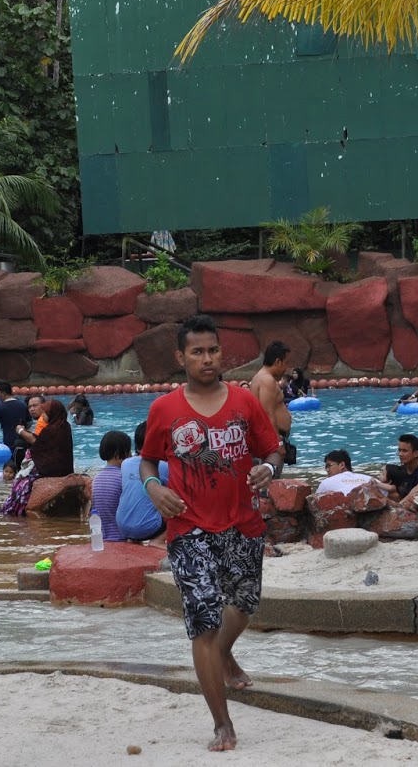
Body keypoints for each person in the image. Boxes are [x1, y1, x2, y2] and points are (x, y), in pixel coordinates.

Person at [140, 315, 282, 753]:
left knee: (243, 605)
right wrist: (154, 487)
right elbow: (147, 460)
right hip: (189, 527)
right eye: (197, 352)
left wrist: (269, 468)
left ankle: (224, 653)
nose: (207, 359)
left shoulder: (244, 401)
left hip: (243, 525)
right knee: (203, 621)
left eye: (214, 350)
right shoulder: (164, 408)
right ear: (180, 357)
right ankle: (222, 724)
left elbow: (274, 448)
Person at [116, 421, 167, 542]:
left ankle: (134, 540)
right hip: (149, 529)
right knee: (179, 502)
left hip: (122, 526)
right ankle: (158, 540)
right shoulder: (164, 466)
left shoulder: (125, 464)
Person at [250, 341, 296, 466]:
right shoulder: (267, 380)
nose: (286, 367)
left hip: (269, 440)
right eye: (286, 363)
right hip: (271, 443)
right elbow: (267, 414)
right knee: (270, 480)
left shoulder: (260, 377)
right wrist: (277, 443)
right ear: (277, 362)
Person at [90, 430, 132, 542]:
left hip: (102, 538)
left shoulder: (96, 478)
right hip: (122, 538)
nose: (131, 456)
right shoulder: (123, 477)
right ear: (118, 456)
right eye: (129, 453)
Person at [22, 399, 73, 478]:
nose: (42, 416)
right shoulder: (65, 426)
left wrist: (21, 431)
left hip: (51, 471)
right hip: (66, 469)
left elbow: (37, 445)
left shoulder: (50, 430)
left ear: (52, 413)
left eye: (44, 413)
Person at [380, 433, 418, 500]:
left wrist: (399, 507)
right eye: (399, 450)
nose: (400, 454)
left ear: (416, 453)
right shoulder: (401, 471)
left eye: (404, 451)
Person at [0, 382, 31, 464]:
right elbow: (29, 423)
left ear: (3, 393)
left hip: (9, 443)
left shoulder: (0, 407)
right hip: (24, 440)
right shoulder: (23, 405)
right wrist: (24, 431)